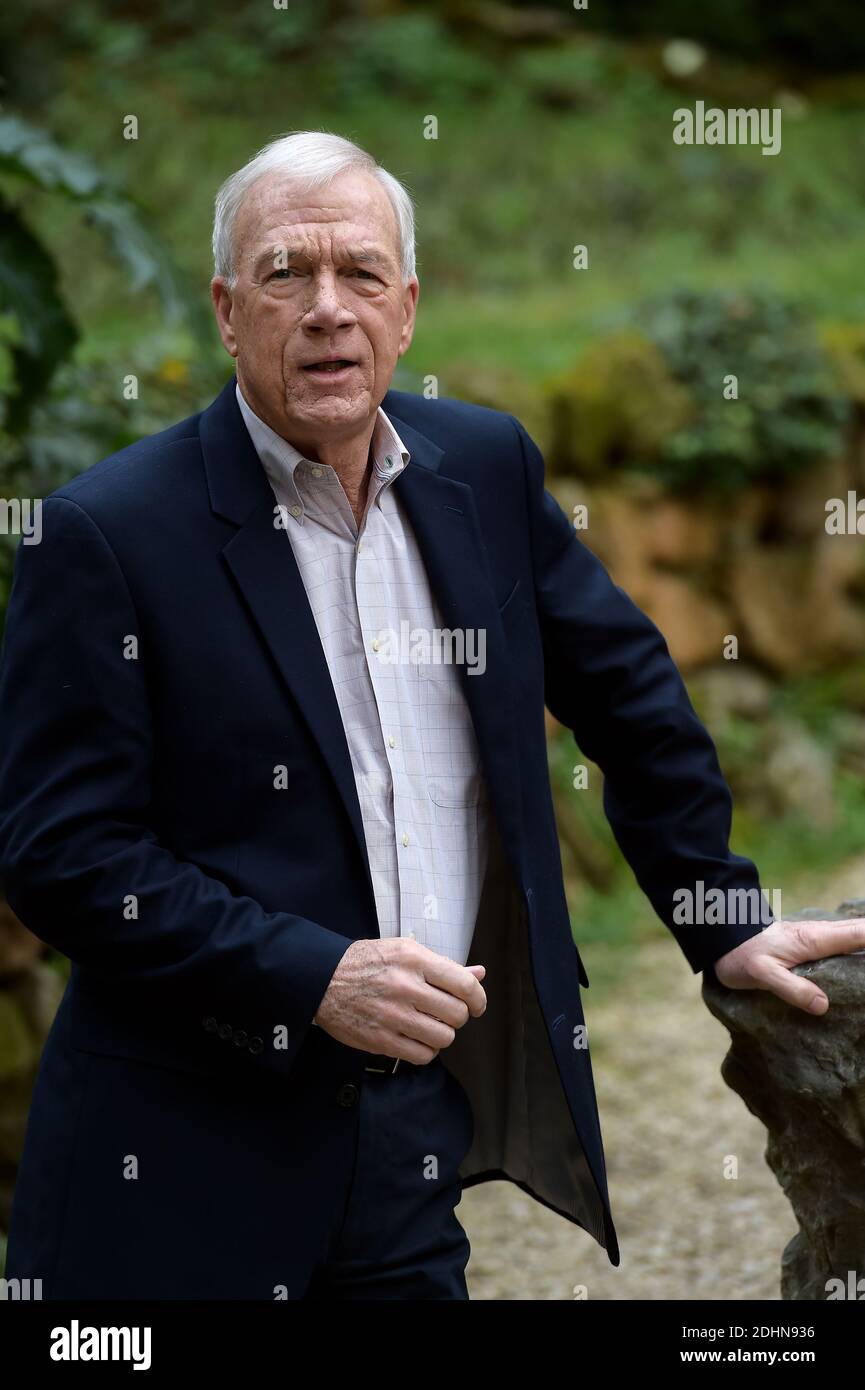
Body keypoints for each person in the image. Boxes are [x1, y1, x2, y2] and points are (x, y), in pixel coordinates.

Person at [1, 131, 862, 1301]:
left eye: (360, 273)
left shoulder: (483, 466)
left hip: (411, 1127)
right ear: (224, 310)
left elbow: (627, 692)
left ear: (407, 310)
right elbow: (62, 852)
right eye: (283, 273)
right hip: (179, 1153)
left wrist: (720, 912)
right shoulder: (107, 534)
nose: (325, 309)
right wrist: (312, 972)